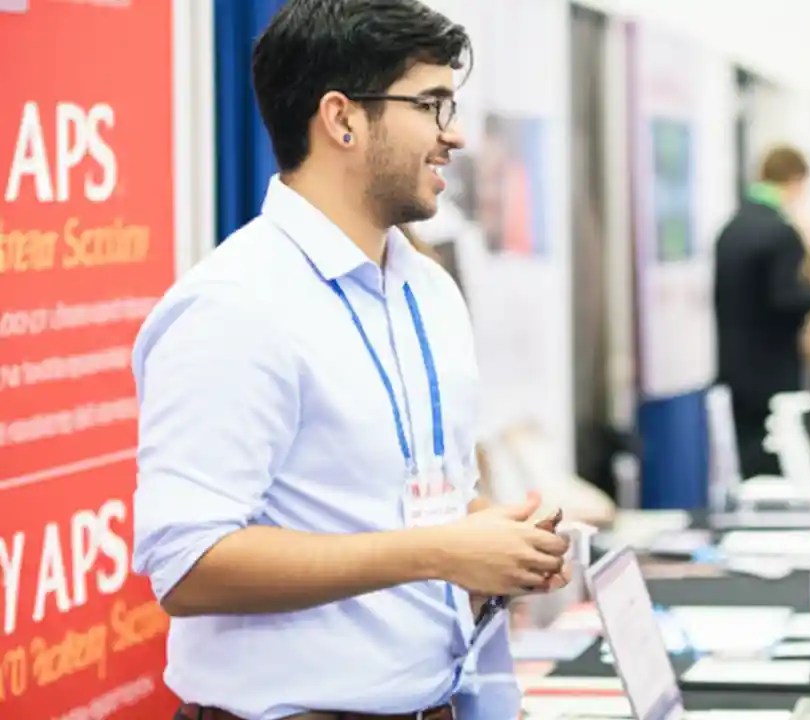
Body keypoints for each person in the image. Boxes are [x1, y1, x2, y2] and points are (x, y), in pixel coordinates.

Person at [131, 2, 569, 718]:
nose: (452, 134)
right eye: (430, 104)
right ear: (342, 119)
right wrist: (440, 553)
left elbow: (403, 500)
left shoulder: (427, 288)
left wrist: (500, 538)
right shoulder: (234, 306)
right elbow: (190, 567)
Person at [714, 145, 810, 477]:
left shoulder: (731, 228)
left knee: (747, 454)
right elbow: (785, 298)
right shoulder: (781, 232)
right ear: (796, 180)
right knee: (775, 457)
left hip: (733, 363)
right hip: (772, 368)